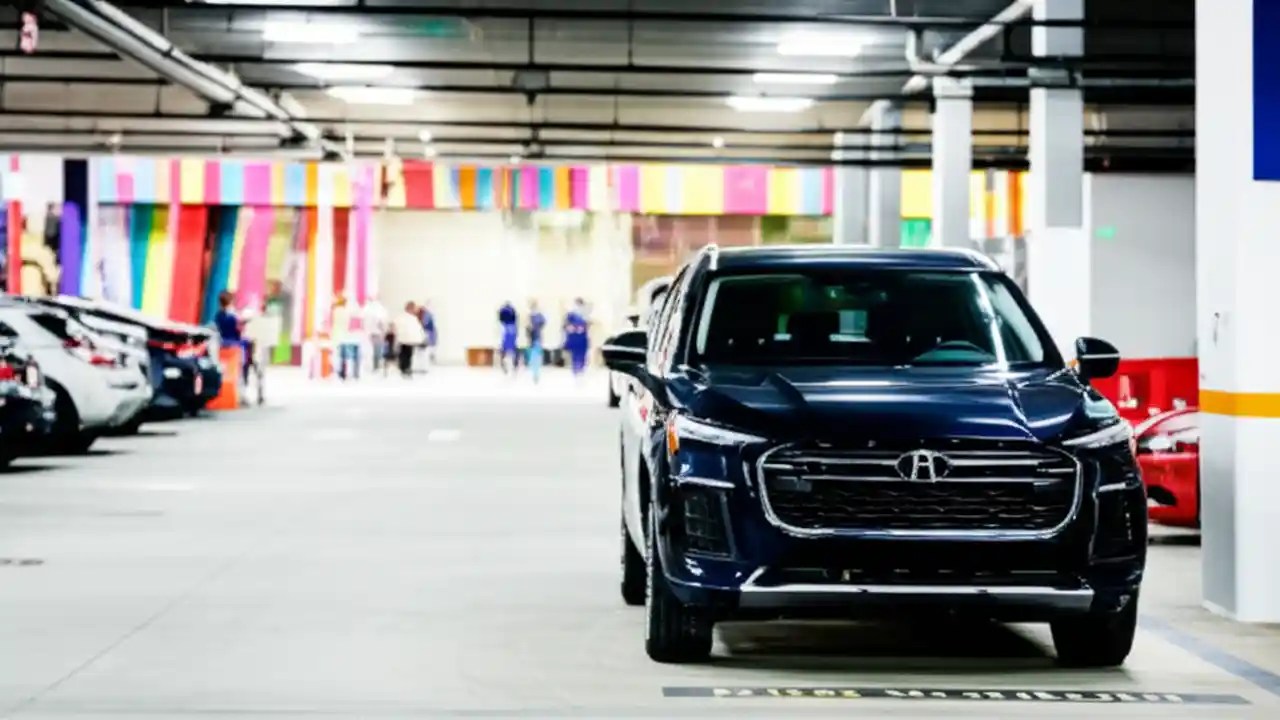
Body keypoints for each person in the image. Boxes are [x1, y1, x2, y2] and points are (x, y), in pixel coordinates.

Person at [213, 291, 250, 385]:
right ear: (231, 302)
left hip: (222, 343)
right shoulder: (234, 316)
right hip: (235, 344)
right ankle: (245, 377)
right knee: (247, 346)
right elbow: (239, 330)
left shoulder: (218, 316)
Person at [392, 301, 426, 378]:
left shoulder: (403, 317)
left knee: (406, 354)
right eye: (414, 308)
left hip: (405, 340)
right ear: (410, 309)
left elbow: (394, 326)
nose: (415, 310)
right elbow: (419, 329)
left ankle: (405, 369)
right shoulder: (410, 318)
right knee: (407, 354)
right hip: (408, 340)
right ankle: (405, 369)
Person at [330, 294, 359, 381]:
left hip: (336, 333)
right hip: (344, 334)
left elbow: (333, 307)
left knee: (336, 354)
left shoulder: (336, 310)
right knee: (343, 355)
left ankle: (337, 370)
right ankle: (343, 371)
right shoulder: (346, 311)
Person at [563, 297, 590, 378]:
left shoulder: (585, 315)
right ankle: (576, 370)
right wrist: (571, 329)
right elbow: (566, 325)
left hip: (582, 337)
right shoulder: (571, 314)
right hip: (574, 337)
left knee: (582, 354)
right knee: (575, 354)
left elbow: (587, 325)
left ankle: (580, 369)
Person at [363, 295, 388, 372]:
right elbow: (381, 323)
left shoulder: (369, 310)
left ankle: (376, 366)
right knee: (377, 351)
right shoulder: (378, 311)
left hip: (372, 333)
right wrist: (383, 330)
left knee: (375, 350)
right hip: (377, 333)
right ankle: (376, 367)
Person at [526, 300, 547, 384]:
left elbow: (542, 324)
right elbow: (528, 327)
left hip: (536, 338)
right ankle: (535, 373)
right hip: (532, 338)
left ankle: (536, 373)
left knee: (536, 356)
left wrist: (533, 327)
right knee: (533, 356)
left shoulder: (538, 316)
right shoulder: (530, 316)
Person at [497, 300, 519, 374]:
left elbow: (500, 318)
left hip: (505, 329)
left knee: (504, 348)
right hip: (512, 329)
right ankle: (515, 364)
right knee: (513, 348)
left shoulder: (502, 310)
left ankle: (503, 364)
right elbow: (515, 318)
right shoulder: (512, 310)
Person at [420, 301, 438, 367]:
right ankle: (428, 360)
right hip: (427, 333)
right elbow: (424, 324)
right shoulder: (425, 314)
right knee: (428, 348)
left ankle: (431, 359)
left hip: (431, 333)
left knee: (432, 347)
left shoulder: (430, 314)